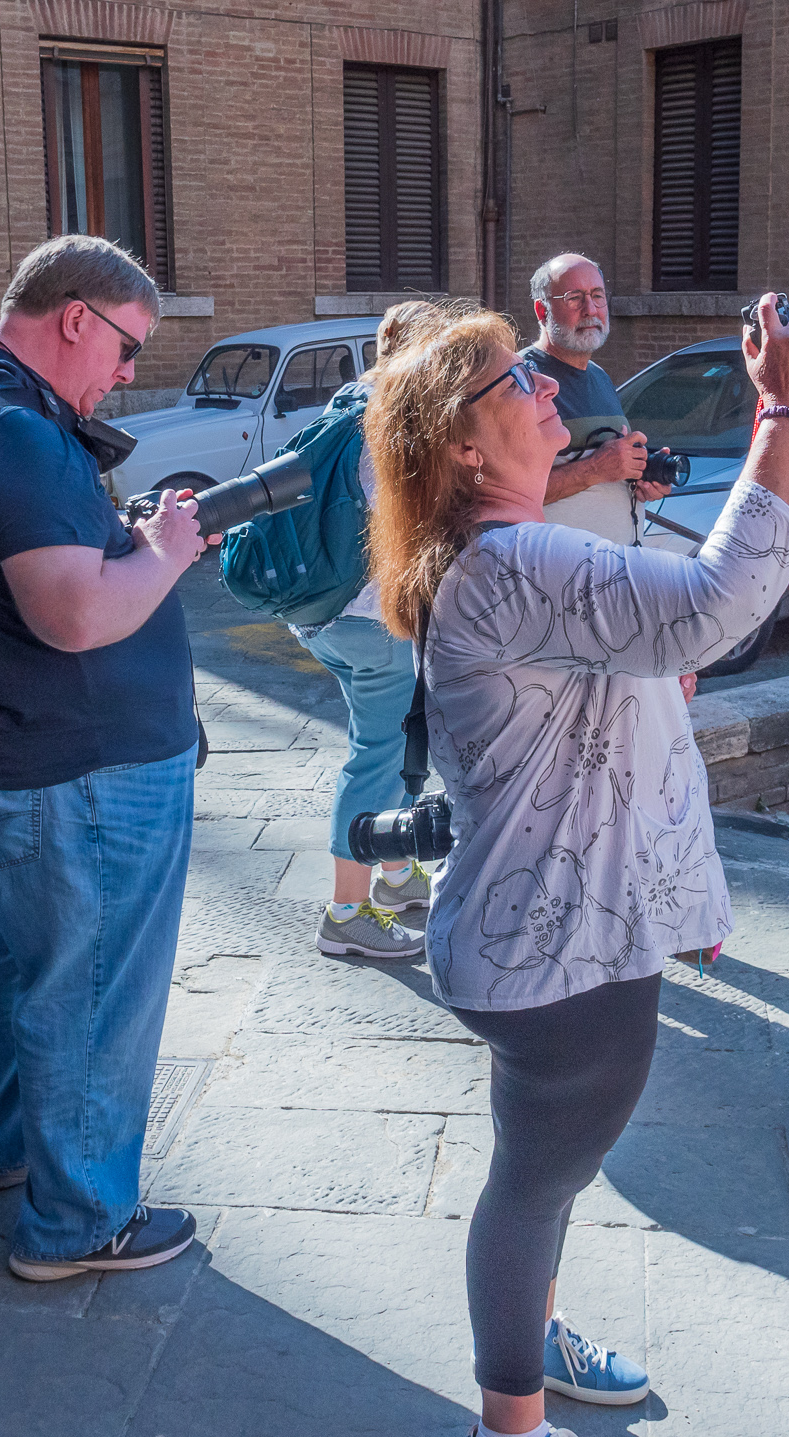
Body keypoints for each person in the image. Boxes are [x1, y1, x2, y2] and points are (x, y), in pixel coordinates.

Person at [366, 301, 789, 1437]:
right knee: (536, 1178)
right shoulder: (514, 564)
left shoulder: (496, 555)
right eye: (513, 381)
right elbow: (716, 604)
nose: (545, 389)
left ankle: (530, 1336)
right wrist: (781, 404)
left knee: (547, 1171)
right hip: (553, 950)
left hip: (545, 930)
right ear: (461, 446)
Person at [0, 235, 207, 1283]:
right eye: (124, 348)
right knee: (93, 983)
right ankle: (78, 1222)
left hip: (17, 758)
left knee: (23, 958)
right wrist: (162, 552)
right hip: (78, 770)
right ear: (75, 316)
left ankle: (1, 1153)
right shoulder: (14, 431)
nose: (124, 374)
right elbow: (73, 616)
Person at [297, 297, 453, 961]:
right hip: (371, 621)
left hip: (319, 614)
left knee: (377, 739)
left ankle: (393, 877)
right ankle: (346, 913)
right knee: (375, 759)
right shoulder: (399, 424)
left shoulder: (347, 403)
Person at [521, 253, 694, 701]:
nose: (591, 309)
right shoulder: (520, 382)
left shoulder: (598, 377)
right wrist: (597, 468)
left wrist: (638, 484)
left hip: (610, 590)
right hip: (555, 599)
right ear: (543, 310)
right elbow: (505, 494)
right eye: (574, 298)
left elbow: (601, 478)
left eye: (597, 296)